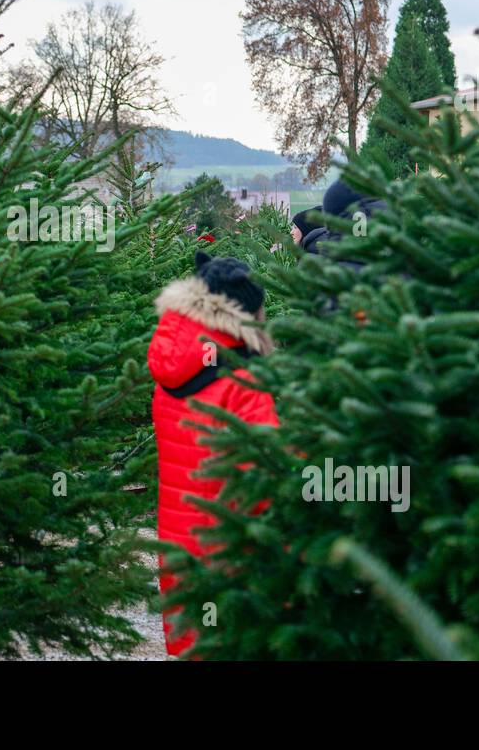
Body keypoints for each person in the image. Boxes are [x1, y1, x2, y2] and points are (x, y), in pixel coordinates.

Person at [146, 251, 279, 656]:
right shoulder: (241, 379)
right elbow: (268, 475)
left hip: (179, 544)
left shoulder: (171, 371)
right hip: (234, 550)